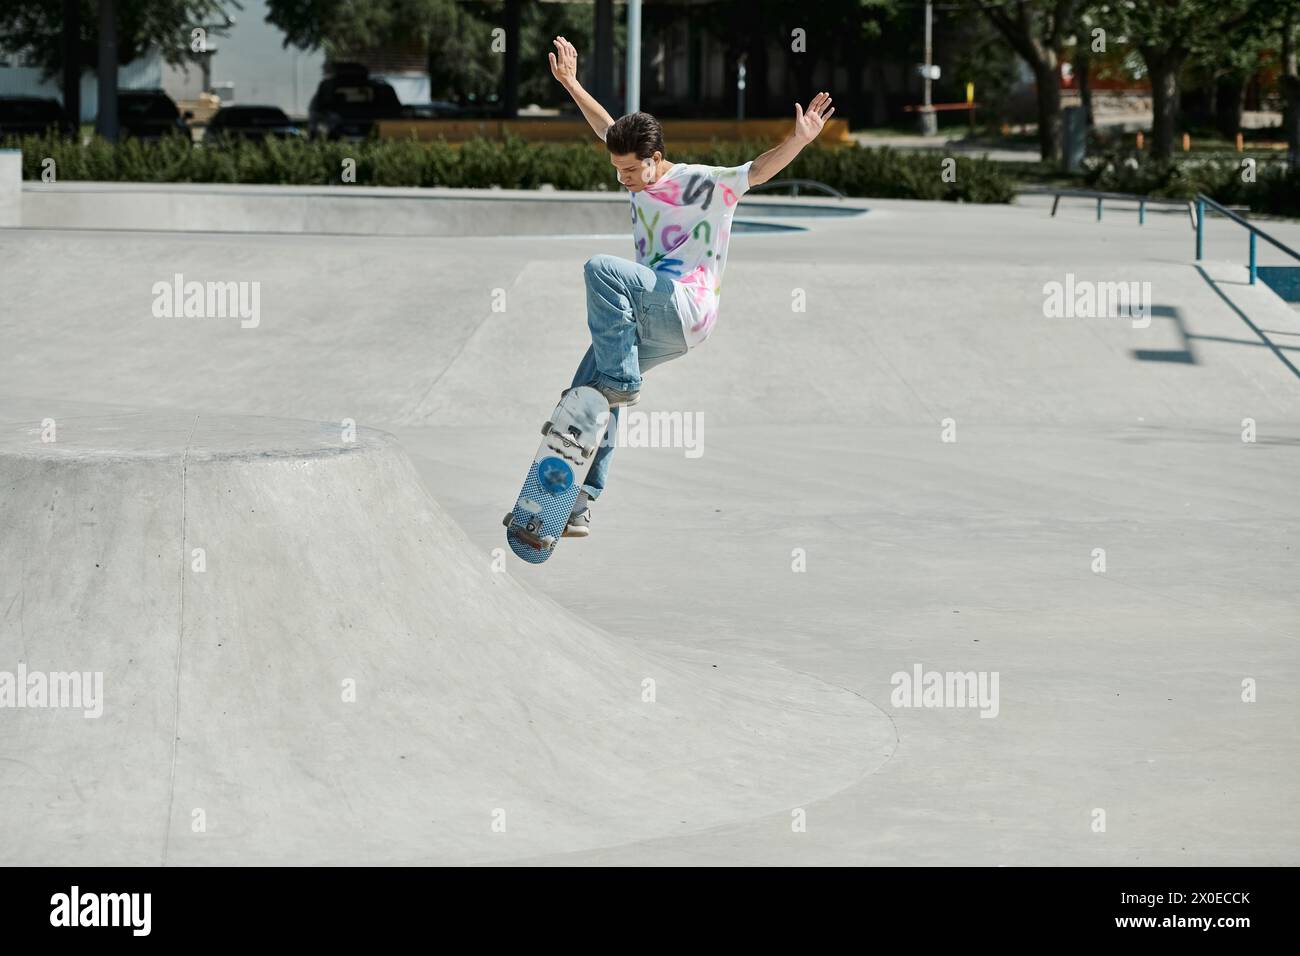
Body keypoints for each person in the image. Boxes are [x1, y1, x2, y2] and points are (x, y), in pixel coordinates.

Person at [548, 35, 835, 537]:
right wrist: (572, 83)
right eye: (618, 173)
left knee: (600, 269)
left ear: (657, 157)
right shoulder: (629, 161)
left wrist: (800, 140)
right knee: (590, 397)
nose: (626, 181)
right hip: (658, 319)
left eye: (633, 171)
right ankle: (579, 502)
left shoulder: (701, 182)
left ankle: (622, 380)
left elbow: (758, 171)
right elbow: (606, 127)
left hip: (683, 304)